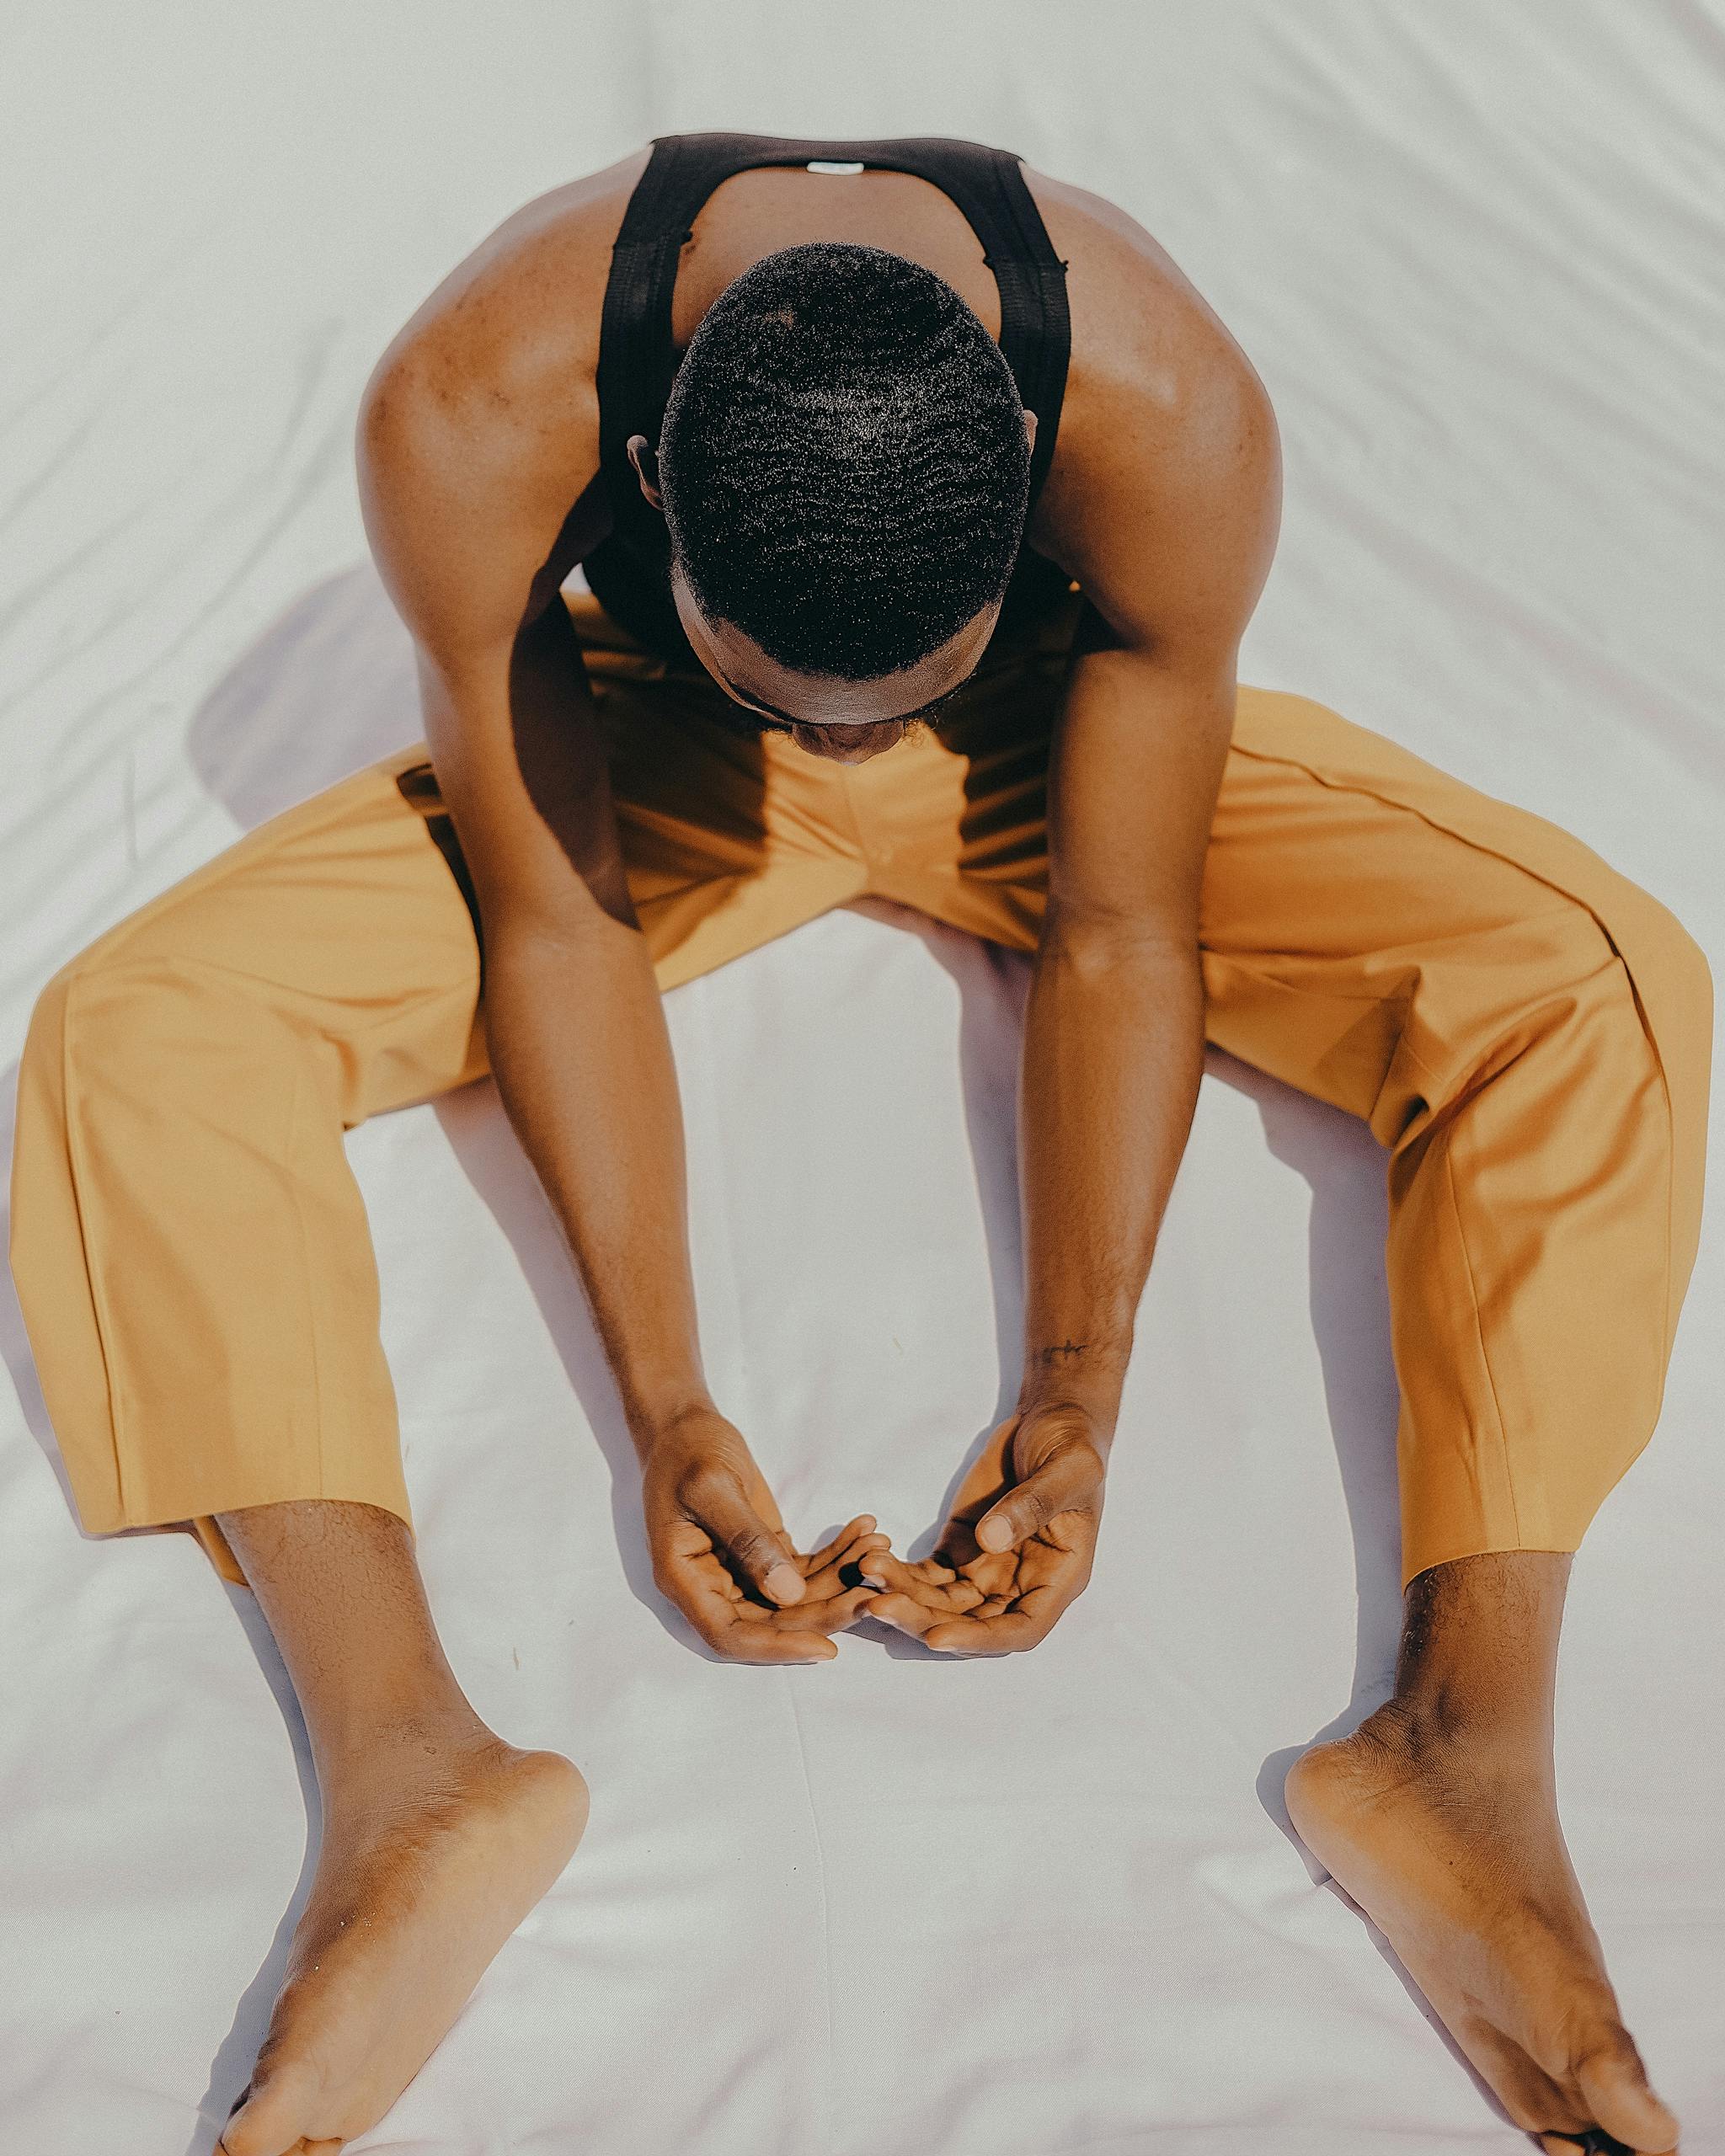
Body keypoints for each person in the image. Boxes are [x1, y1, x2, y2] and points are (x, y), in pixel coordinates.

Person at [9, 131, 1708, 2156]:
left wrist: (1079, 1389)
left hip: (1052, 739)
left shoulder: (1166, 407)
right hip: (642, 748)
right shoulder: (470, 404)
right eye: (800, 701)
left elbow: (1121, 920)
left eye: (869, 702)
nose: (840, 756)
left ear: (1024, 483)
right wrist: (663, 1402)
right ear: (644, 492)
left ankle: (1463, 1748)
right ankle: (408, 1769)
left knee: (1597, 976)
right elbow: (565, 921)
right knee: (135, 1033)